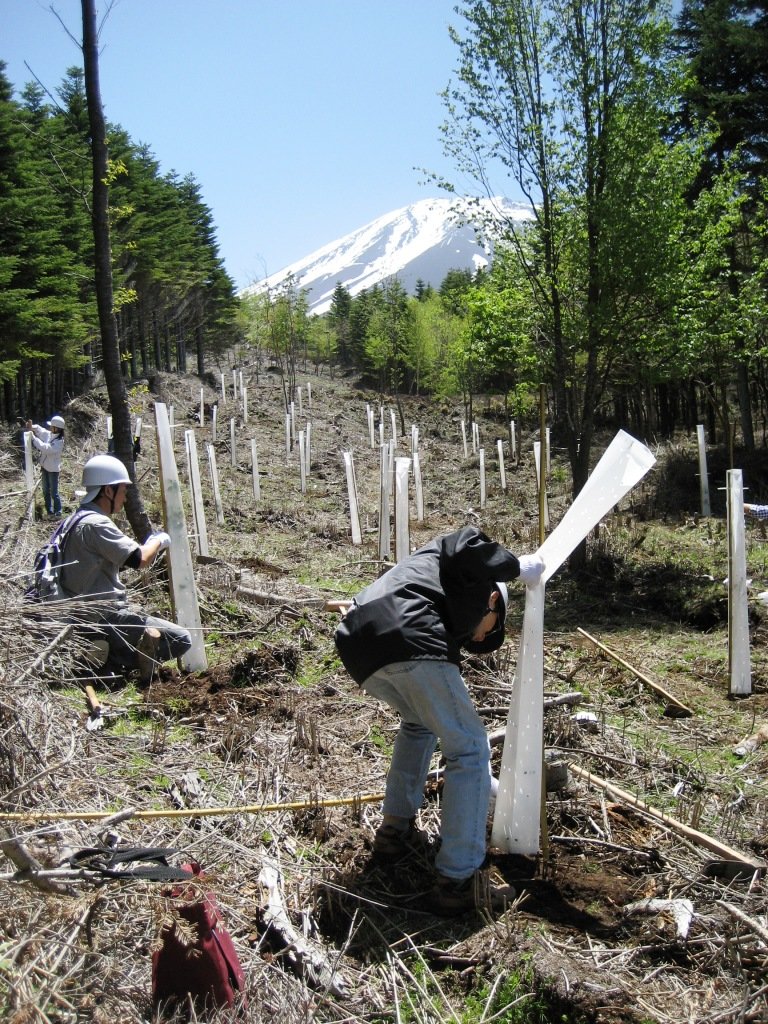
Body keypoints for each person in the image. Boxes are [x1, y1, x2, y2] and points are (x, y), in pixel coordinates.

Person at [334, 525, 545, 916]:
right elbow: (465, 540)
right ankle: (458, 880)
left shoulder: (425, 576)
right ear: (493, 604)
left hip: (357, 640)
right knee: (469, 748)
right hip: (407, 630)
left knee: (419, 724)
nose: (477, 641)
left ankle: (394, 833)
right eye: (487, 634)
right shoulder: (464, 564)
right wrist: (516, 567)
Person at [58, 454, 192, 682]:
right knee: (181, 639)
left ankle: (99, 654)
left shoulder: (75, 520)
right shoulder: (96, 523)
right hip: (101, 617)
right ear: (108, 491)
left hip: (80, 616)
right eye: (122, 490)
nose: (125, 497)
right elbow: (139, 559)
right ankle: (107, 664)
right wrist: (159, 541)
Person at [26, 415, 65, 517]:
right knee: (45, 491)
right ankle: (49, 512)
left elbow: (45, 448)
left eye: (52, 426)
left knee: (53, 492)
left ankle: (58, 512)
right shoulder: (50, 435)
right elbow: (41, 430)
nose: (50, 428)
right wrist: (32, 427)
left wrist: (33, 438)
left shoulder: (59, 442)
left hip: (53, 470)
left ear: (57, 428)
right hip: (45, 468)